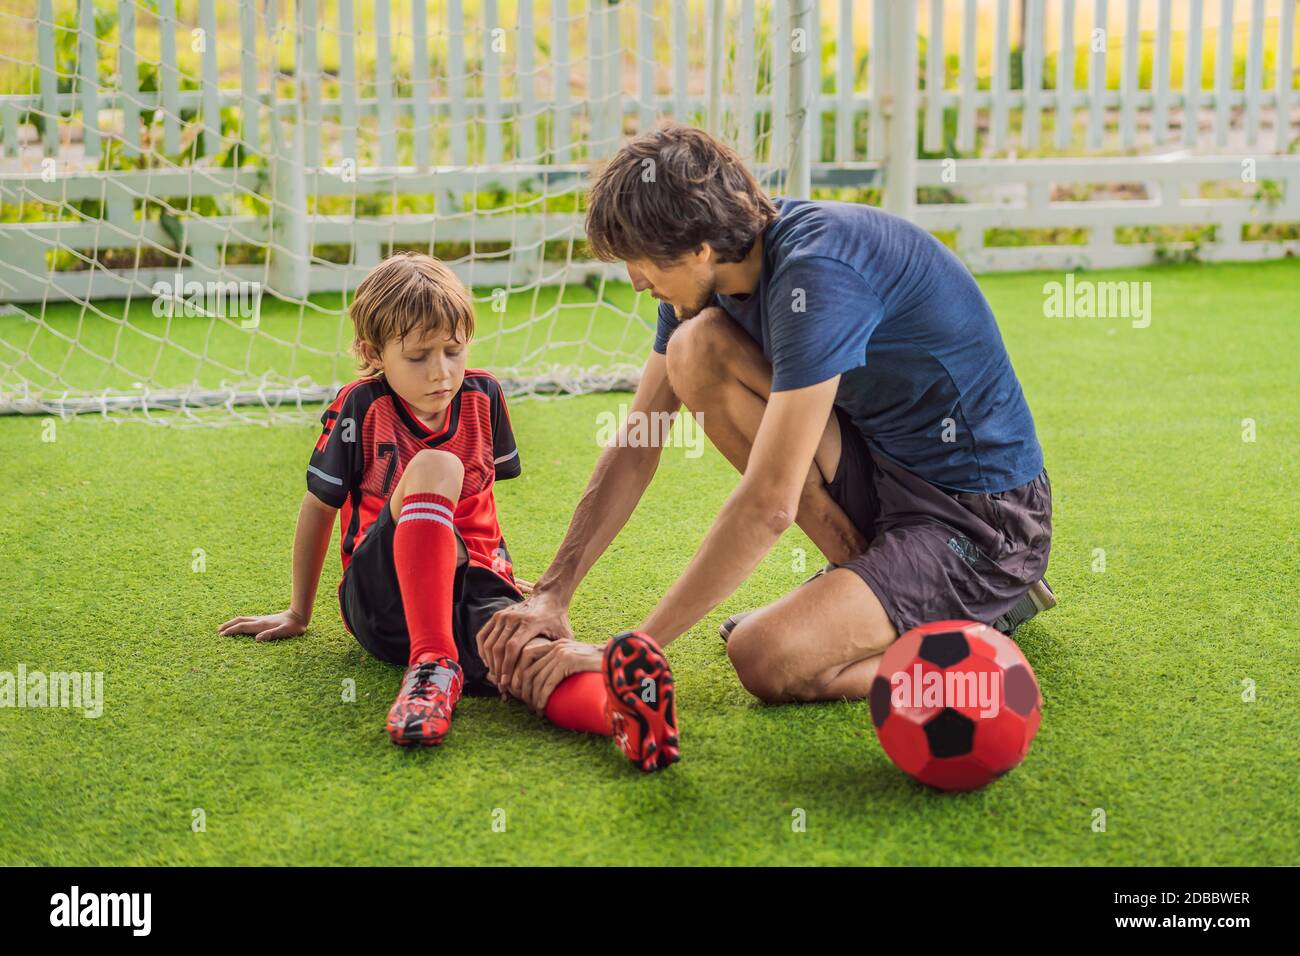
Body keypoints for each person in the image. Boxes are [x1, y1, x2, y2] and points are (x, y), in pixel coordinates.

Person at [478, 123, 1054, 711]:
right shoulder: (701, 290)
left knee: (765, 655)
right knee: (695, 351)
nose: (635, 280)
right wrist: (552, 593)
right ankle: (869, 582)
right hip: (882, 472)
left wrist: (632, 651)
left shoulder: (817, 273)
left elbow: (769, 504)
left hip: (977, 521)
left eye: (643, 261)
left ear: (700, 246)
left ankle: (973, 633)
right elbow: (638, 441)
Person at [219, 252, 679, 772]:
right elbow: (319, 507)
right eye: (418, 357)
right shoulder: (360, 408)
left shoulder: (484, 396)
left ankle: (623, 712)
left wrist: (498, 576)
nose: (441, 372)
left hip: (468, 586)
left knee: (524, 657)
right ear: (374, 353)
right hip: (382, 599)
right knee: (436, 464)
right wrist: (299, 612)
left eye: (453, 352)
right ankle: (432, 662)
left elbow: (483, 506)